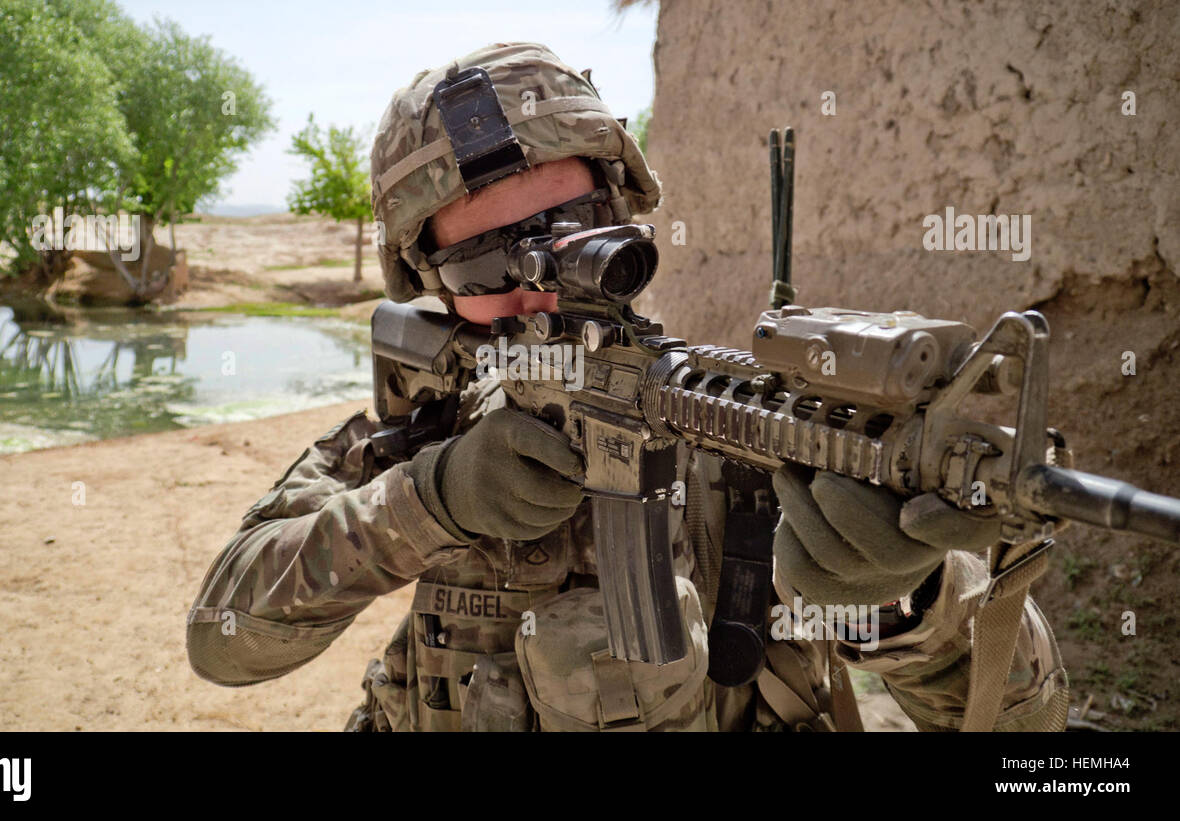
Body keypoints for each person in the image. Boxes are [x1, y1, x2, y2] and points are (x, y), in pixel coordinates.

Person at [186, 42, 1068, 732]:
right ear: (427, 276)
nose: (540, 290)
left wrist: (906, 602)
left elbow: (1034, 730)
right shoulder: (426, 427)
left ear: (620, 222)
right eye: (489, 263)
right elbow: (222, 642)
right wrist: (430, 501)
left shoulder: (744, 438)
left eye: (572, 238)